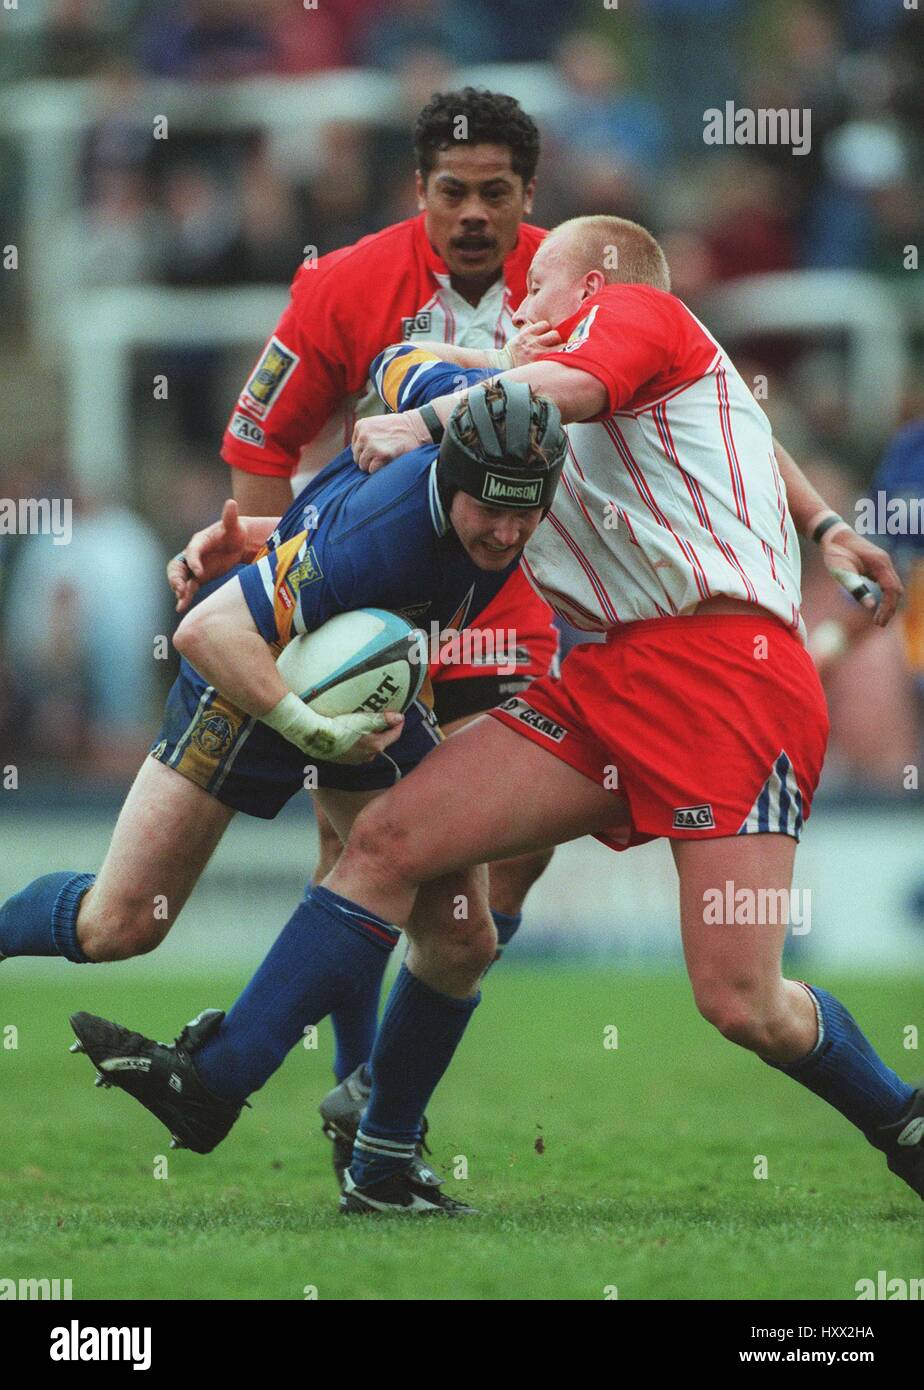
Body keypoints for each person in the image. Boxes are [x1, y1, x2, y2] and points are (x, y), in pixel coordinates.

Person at [64, 217, 919, 1215]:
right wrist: (265, 535)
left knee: (743, 1002)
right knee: (388, 841)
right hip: (604, 674)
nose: (522, 301)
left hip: (729, 679)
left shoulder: (636, 317)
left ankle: (902, 1119)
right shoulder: (520, 384)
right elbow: (425, 414)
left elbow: (549, 393)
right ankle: (248, 1094)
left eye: (542, 284)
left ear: (598, 282)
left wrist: (429, 418)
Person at [5, 376, 566, 1213]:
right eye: (491, 509)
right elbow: (207, 629)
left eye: (528, 512)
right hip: (249, 683)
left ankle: (376, 1167)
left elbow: (406, 363)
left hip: (353, 691)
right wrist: (306, 724)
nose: (509, 531)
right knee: (120, 924)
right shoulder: (387, 538)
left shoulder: (471, 415)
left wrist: (284, 531)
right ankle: (223, 1078)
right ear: (451, 476)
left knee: (459, 932)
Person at [176, 88, 567, 1169]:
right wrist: (271, 565)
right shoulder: (346, 282)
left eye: (497, 192)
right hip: (375, 606)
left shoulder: (575, 283)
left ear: (529, 197)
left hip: (522, 609)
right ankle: (370, 1108)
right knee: (362, 849)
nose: (475, 212)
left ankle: (376, 1076)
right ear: (418, 192)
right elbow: (263, 432)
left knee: (511, 859)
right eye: (454, 192)